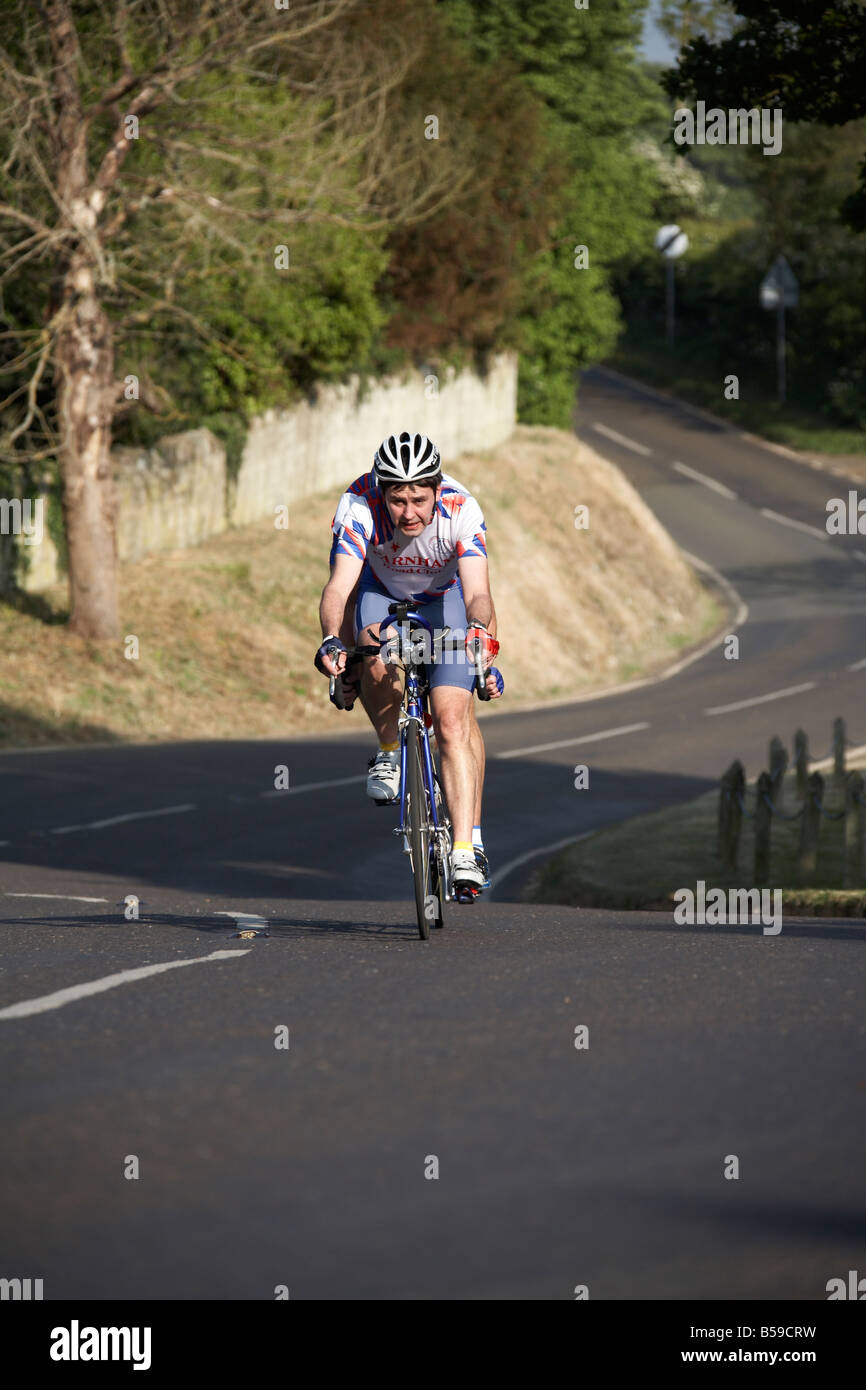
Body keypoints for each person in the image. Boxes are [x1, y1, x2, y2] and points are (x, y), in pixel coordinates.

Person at [315, 430, 504, 893]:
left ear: (437, 490)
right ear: (382, 492)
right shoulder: (358, 505)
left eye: (419, 499)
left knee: (452, 721)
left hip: (445, 601)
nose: (408, 512)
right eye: (397, 500)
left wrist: (480, 638)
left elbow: (479, 592)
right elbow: (340, 587)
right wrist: (330, 642)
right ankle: (388, 752)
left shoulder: (462, 508)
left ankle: (464, 850)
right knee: (370, 646)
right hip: (382, 595)